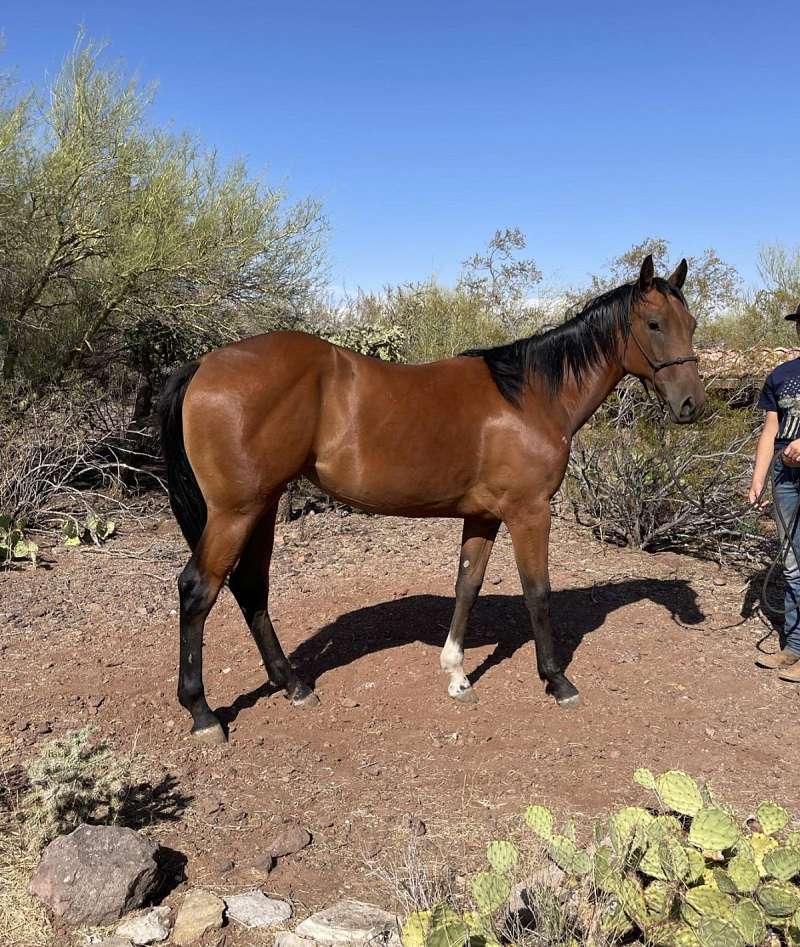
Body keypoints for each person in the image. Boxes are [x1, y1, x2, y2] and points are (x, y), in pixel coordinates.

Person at [750, 302, 800, 679]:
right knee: (792, 563)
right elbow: (770, 429)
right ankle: (793, 648)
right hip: (786, 476)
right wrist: (758, 477)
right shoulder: (781, 375)